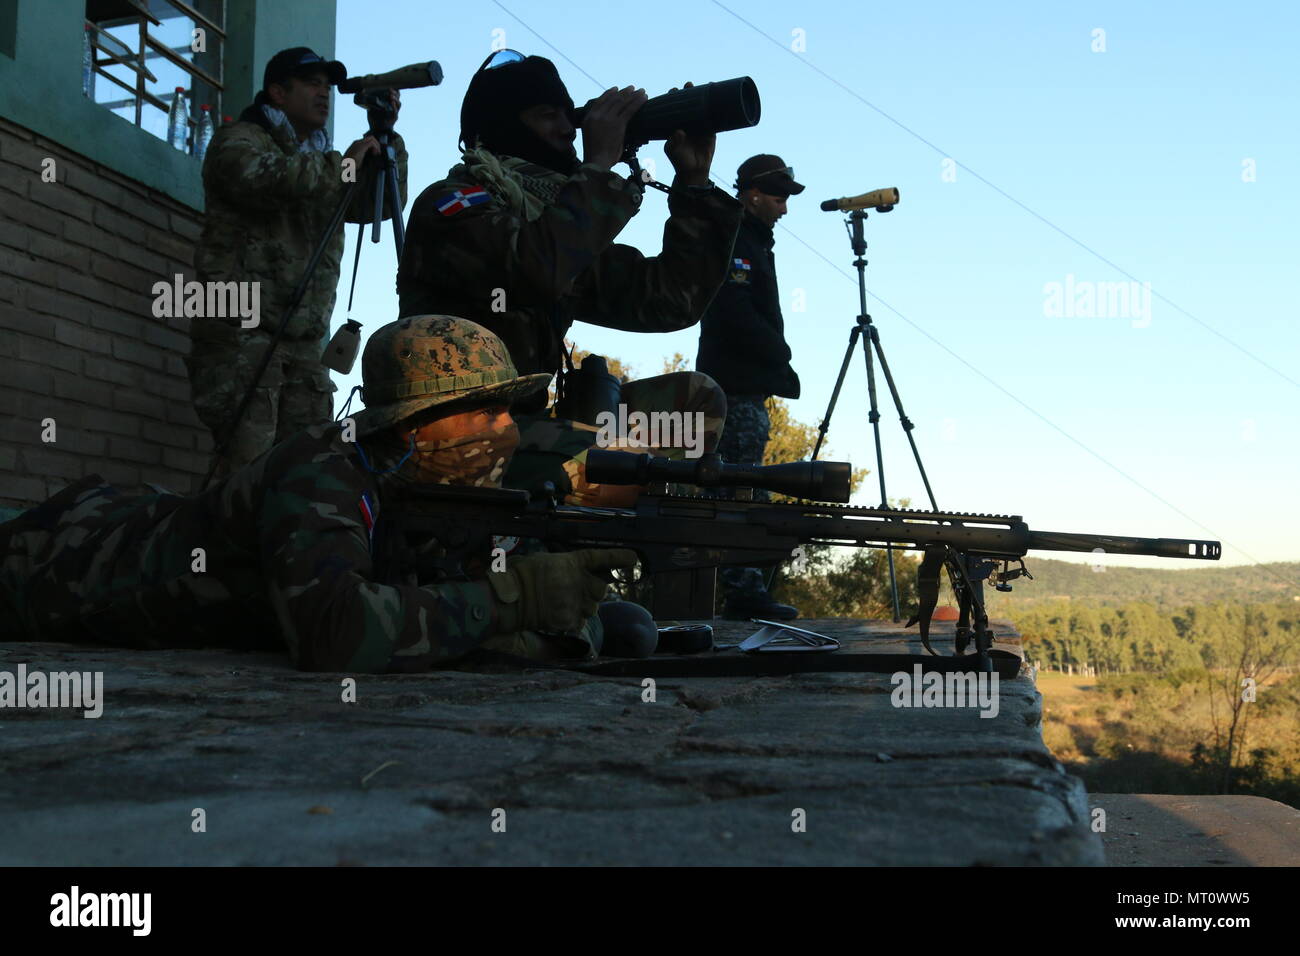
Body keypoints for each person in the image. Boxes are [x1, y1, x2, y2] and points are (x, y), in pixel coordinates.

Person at [0, 317, 636, 672]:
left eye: (507, 409)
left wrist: (559, 614)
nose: (505, 428)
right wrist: (511, 601)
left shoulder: (440, 487)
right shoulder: (323, 469)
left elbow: (433, 605)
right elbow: (334, 631)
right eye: (482, 410)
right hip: (53, 561)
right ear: (409, 421)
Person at [396, 51, 741, 505]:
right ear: (501, 129)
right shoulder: (453, 205)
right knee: (618, 463)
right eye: (546, 115)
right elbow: (537, 268)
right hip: (454, 436)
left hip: (525, 432)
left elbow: (669, 300)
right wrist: (597, 167)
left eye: (568, 114)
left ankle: (587, 541)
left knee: (694, 403)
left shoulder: (552, 221)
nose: (567, 129)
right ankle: (557, 545)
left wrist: (693, 184)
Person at [188, 47, 409, 481]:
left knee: (306, 473)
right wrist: (343, 164)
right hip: (244, 336)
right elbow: (264, 179)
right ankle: (212, 550)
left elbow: (372, 206)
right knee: (245, 472)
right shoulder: (240, 139)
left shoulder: (325, 159)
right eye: (311, 84)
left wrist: (386, 140)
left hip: (305, 343)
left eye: (328, 86)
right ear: (277, 92)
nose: (323, 94)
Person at [696, 155, 804, 621]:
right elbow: (733, 310)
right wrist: (778, 354)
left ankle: (742, 585)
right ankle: (742, 591)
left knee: (743, 482)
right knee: (741, 485)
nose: (784, 208)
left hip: (742, 383)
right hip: (735, 386)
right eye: (778, 198)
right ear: (753, 194)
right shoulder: (739, 237)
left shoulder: (752, 238)